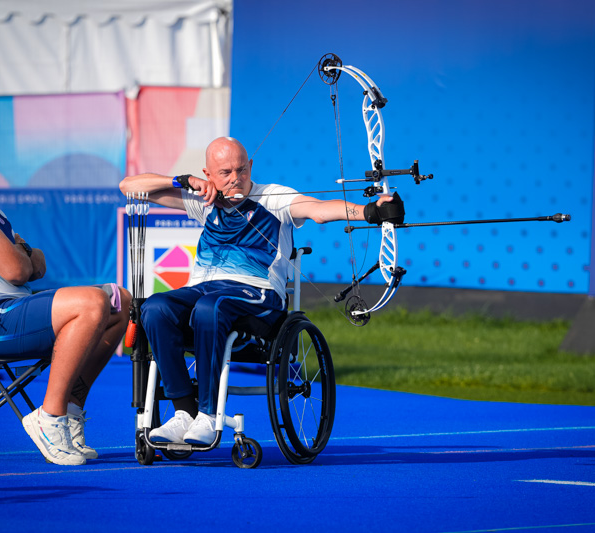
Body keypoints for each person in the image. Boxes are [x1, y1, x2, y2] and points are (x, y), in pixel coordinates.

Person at [118, 136, 403, 445]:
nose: (236, 179)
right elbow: (129, 187)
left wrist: (370, 212)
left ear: (250, 166)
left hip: (258, 295)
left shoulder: (273, 197)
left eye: (241, 170)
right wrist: (182, 181)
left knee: (209, 307)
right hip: (204, 290)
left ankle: (209, 414)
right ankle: (185, 413)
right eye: (225, 173)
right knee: (155, 308)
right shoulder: (203, 201)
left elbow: (320, 209)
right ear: (208, 174)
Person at [0, 116, 131, 465]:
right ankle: (49, 419)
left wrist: (20, 255)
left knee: (118, 300)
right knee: (94, 302)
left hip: (10, 310)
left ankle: (69, 411)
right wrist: (20, 256)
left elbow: (38, 262)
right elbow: (19, 270)